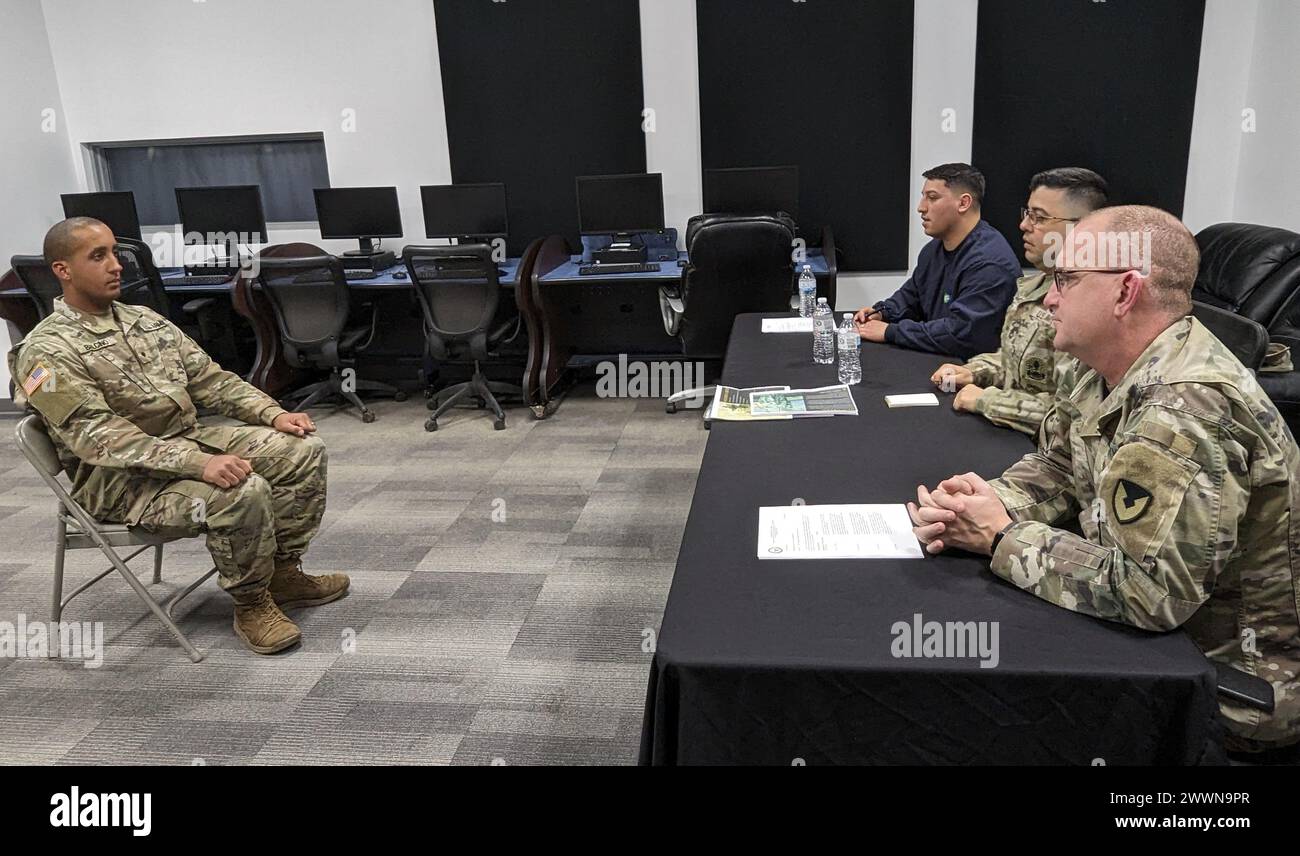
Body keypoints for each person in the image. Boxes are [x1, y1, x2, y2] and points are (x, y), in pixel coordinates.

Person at [907, 205, 1300, 753]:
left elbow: (1148, 593)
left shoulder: (1185, 409)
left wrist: (1000, 537)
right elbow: (1062, 462)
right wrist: (987, 501)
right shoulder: (1110, 365)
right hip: (1160, 629)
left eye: (1066, 279)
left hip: (1223, 681)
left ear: (1125, 292)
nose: (1048, 297)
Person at [9, 217, 349, 655]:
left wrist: (271, 413)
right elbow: (98, 437)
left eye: (115, 252)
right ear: (63, 270)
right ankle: (251, 604)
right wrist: (199, 464)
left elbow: (210, 380)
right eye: (98, 256)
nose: (116, 266)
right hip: (117, 481)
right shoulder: (45, 351)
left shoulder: (143, 320)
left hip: (185, 440)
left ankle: (281, 574)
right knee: (241, 490)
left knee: (301, 450)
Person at [930, 167, 1109, 434]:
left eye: (1039, 218)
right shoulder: (1036, 285)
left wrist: (986, 400)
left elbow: (1072, 415)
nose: (1024, 225)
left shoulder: (1095, 308)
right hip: (1011, 438)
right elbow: (1019, 362)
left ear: (1082, 227)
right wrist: (975, 371)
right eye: (1027, 214)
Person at [854, 163, 1020, 360]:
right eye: (923, 197)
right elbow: (911, 297)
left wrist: (890, 331)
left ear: (963, 203)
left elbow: (961, 333)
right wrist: (883, 312)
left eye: (932, 198)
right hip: (939, 361)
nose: (921, 207)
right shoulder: (933, 250)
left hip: (974, 375)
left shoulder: (990, 263)